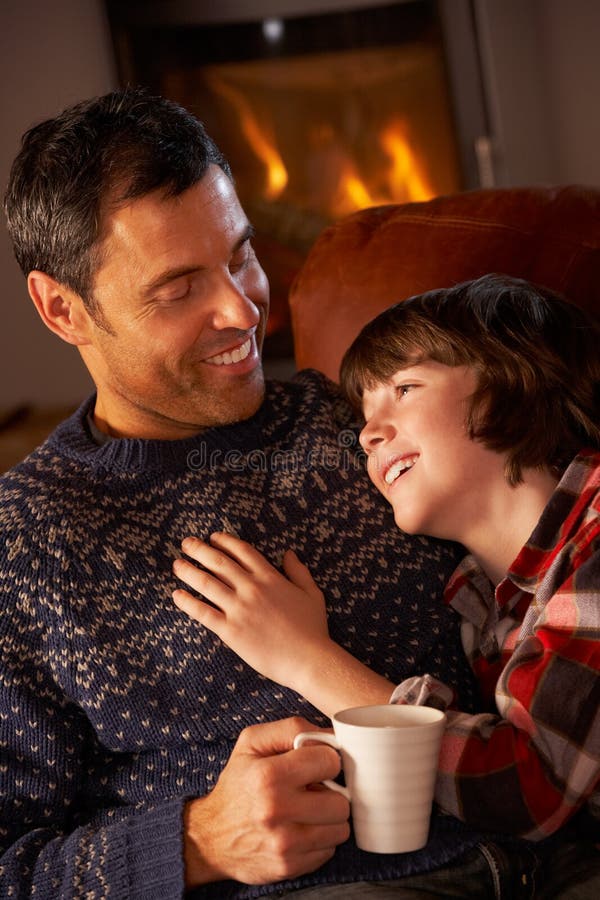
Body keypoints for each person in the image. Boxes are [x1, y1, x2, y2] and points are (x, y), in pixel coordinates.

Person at [0, 87, 481, 899]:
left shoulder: (358, 418)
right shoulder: (27, 542)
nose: (242, 307)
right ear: (63, 308)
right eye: (178, 288)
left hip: (539, 838)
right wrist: (191, 843)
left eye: (241, 254)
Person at [173, 274, 600, 897]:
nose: (369, 433)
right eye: (366, 415)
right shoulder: (479, 600)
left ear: (512, 383)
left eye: (404, 389)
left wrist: (307, 659)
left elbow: (524, 789)